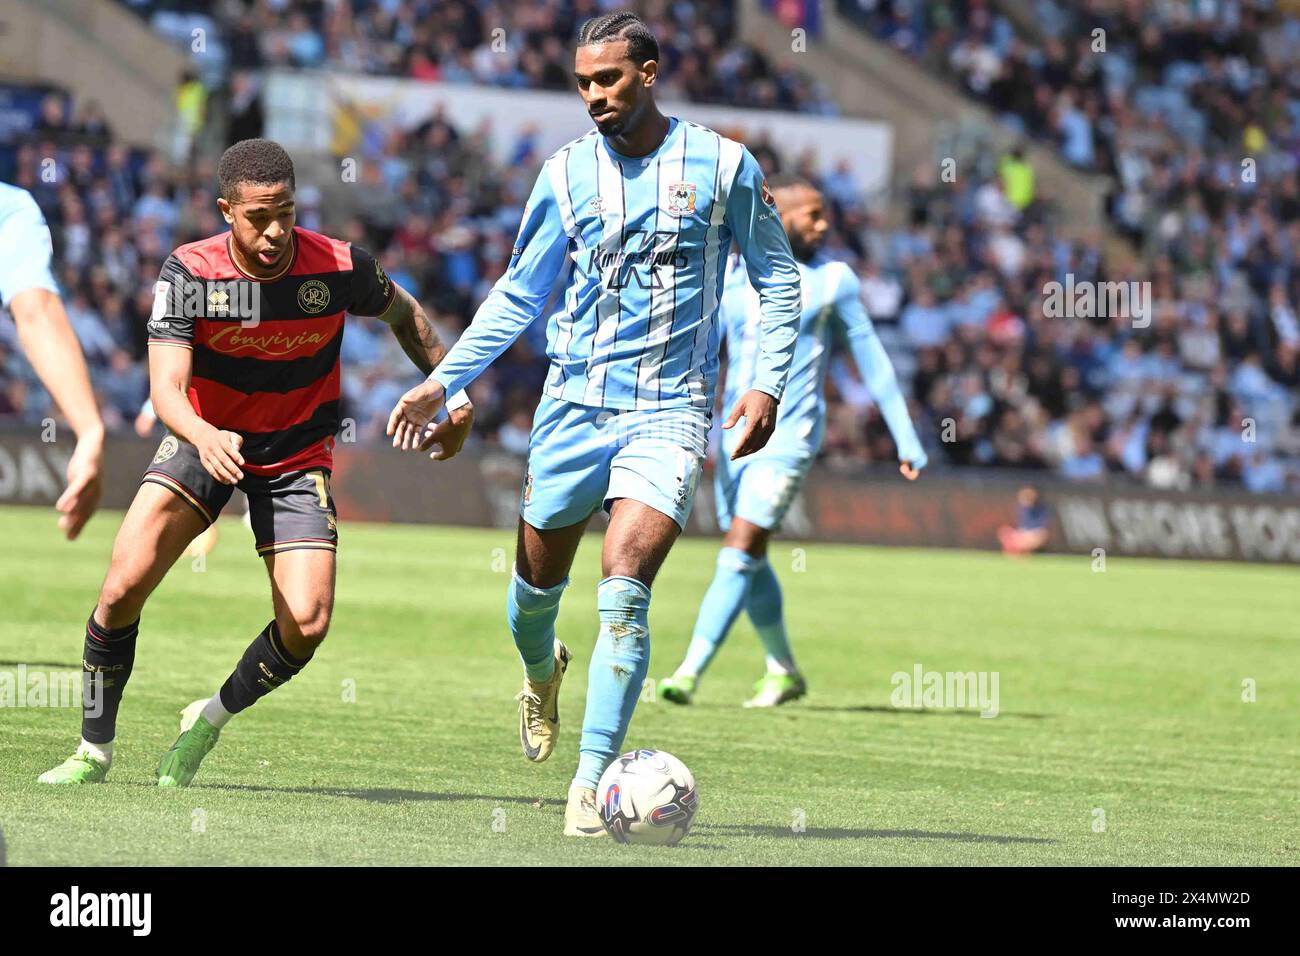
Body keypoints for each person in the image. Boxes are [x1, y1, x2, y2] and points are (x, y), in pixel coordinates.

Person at [386, 12, 801, 836]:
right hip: (572, 405)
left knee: (624, 594)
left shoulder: (723, 166)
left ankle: (590, 784)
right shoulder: (566, 173)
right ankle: (542, 675)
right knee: (531, 601)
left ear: (649, 73)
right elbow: (519, 293)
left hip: (671, 409)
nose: (593, 97)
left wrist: (765, 385)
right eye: (582, 83)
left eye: (608, 80)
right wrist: (446, 380)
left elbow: (779, 279)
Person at [38, 139, 473, 787]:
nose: (274, 232)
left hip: (297, 453)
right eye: (257, 217)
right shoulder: (188, 275)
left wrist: (452, 388)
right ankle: (92, 750)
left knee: (306, 623)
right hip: (200, 440)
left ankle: (207, 720)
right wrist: (201, 432)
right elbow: (164, 389)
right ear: (225, 211)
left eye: (286, 214)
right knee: (121, 589)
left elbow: (405, 313)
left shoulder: (339, 267)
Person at [659, 177, 928, 707]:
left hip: (791, 435)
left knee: (738, 549)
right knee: (749, 554)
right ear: (777, 216)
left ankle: (688, 672)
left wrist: (906, 437)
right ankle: (783, 670)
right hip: (732, 438)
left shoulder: (835, 281)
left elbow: (870, 358)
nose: (824, 225)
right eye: (813, 214)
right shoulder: (735, 274)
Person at [0, 181, 104, 540]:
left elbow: (37, 312)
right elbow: (36, 313)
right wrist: (89, 429)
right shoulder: (11, 207)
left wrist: (90, 429)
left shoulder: (11, 209)